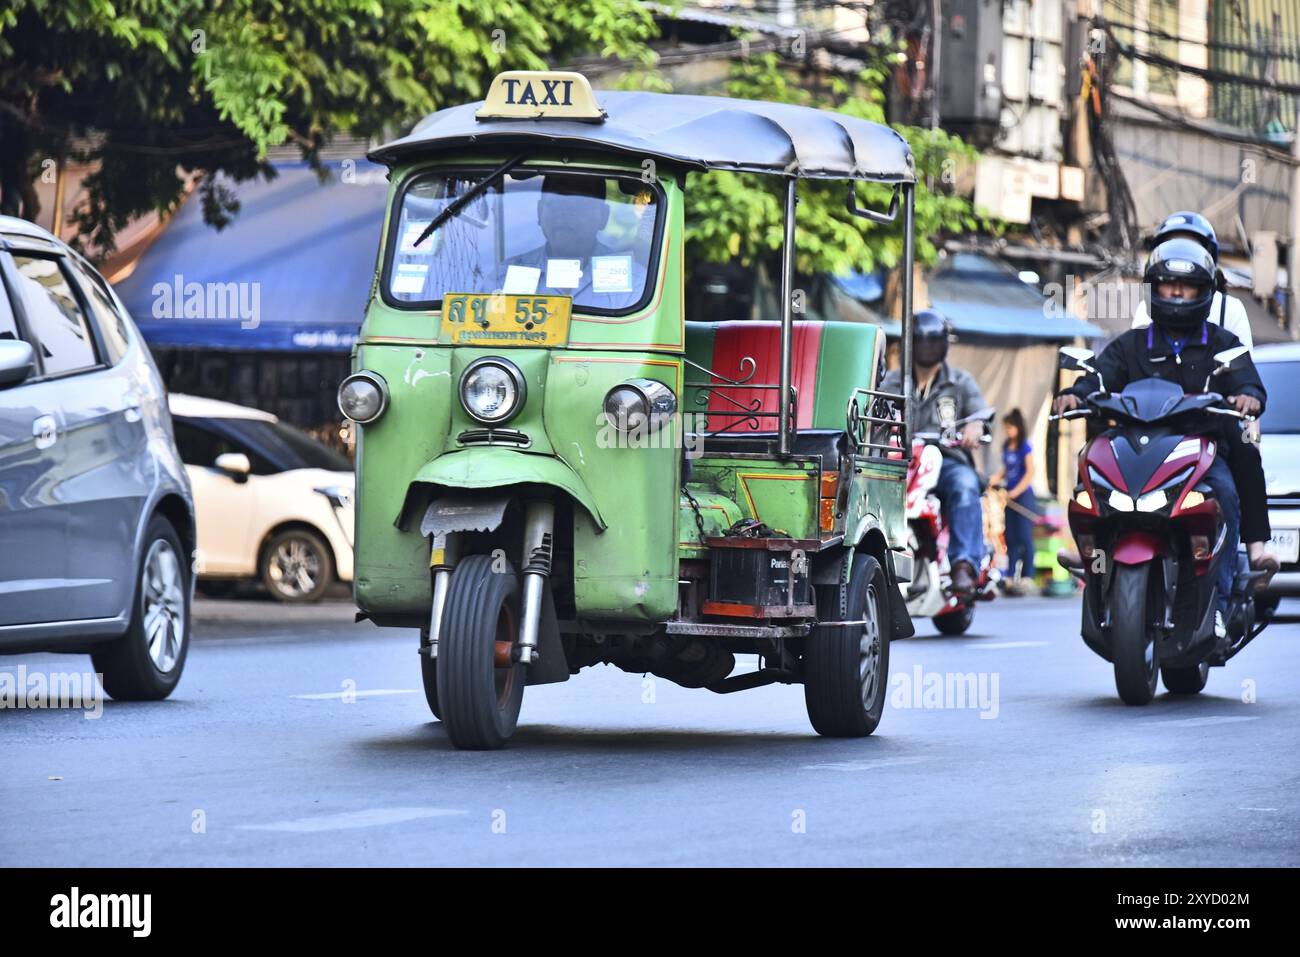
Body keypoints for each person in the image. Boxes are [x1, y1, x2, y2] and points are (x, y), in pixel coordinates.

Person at [1054, 238, 1268, 633]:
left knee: (1226, 493)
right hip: (1137, 451)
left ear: (1204, 292)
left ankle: (1219, 605)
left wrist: (1247, 397)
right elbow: (1099, 376)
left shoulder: (1223, 344)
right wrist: (1074, 394)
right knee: (1092, 474)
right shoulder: (1132, 343)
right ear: (1154, 288)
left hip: (1202, 453)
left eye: (1187, 286)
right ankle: (1094, 563)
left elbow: (1249, 382)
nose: (1177, 293)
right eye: (1168, 284)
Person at [1129, 211, 1276, 578]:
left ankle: (1256, 548)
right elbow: (1127, 364)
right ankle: (1092, 545)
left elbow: (1245, 370)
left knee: (1244, 451)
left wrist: (1242, 396)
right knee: (1099, 447)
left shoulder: (1231, 312)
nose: (1178, 288)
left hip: (1211, 418)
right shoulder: (1143, 315)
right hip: (1153, 418)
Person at [883, 309, 989, 595]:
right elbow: (873, 412)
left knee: (965, 485)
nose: (927, 346)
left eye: (933, 340)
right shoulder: (893, 382)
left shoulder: (960, 382)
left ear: (944, 343)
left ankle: (964, 565)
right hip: (900, 463)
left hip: (947, 462)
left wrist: (974, 428)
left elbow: (979, 414)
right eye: (920, 340)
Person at [499, 174, 646, 311]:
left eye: (579, 205)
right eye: (555, 204)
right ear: (539, 212)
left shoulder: (636, 283)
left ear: (603, 216)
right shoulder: (504, 277)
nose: (564, 213)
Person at [991, 408, 1037, 590]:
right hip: (1008, 497)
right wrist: (992, 481)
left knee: (1025, 537)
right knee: (1010, 537)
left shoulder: (1025, 446)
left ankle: (1028, 576)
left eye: (1010, 428)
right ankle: (1011, 574)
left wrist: (1015, 492)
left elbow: (1029, 472)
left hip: (1023, 496)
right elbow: (1005, 471)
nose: (1007, 431)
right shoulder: (1006, 446)